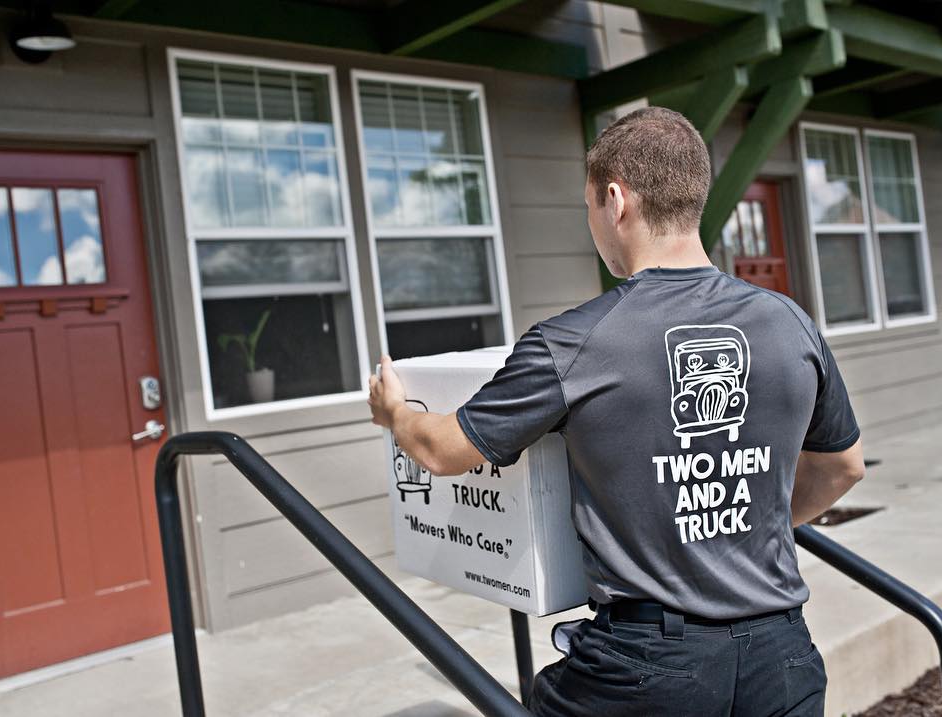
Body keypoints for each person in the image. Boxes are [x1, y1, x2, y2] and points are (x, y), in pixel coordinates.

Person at [367, 106, 865, 716]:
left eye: (588, 208)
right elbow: (843, 468)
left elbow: (441, 449)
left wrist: (395, 411)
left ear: (615, 198)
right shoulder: (790, 322)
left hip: (645, 669)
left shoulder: (576, 342)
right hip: (781, 655)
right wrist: (734, 542)